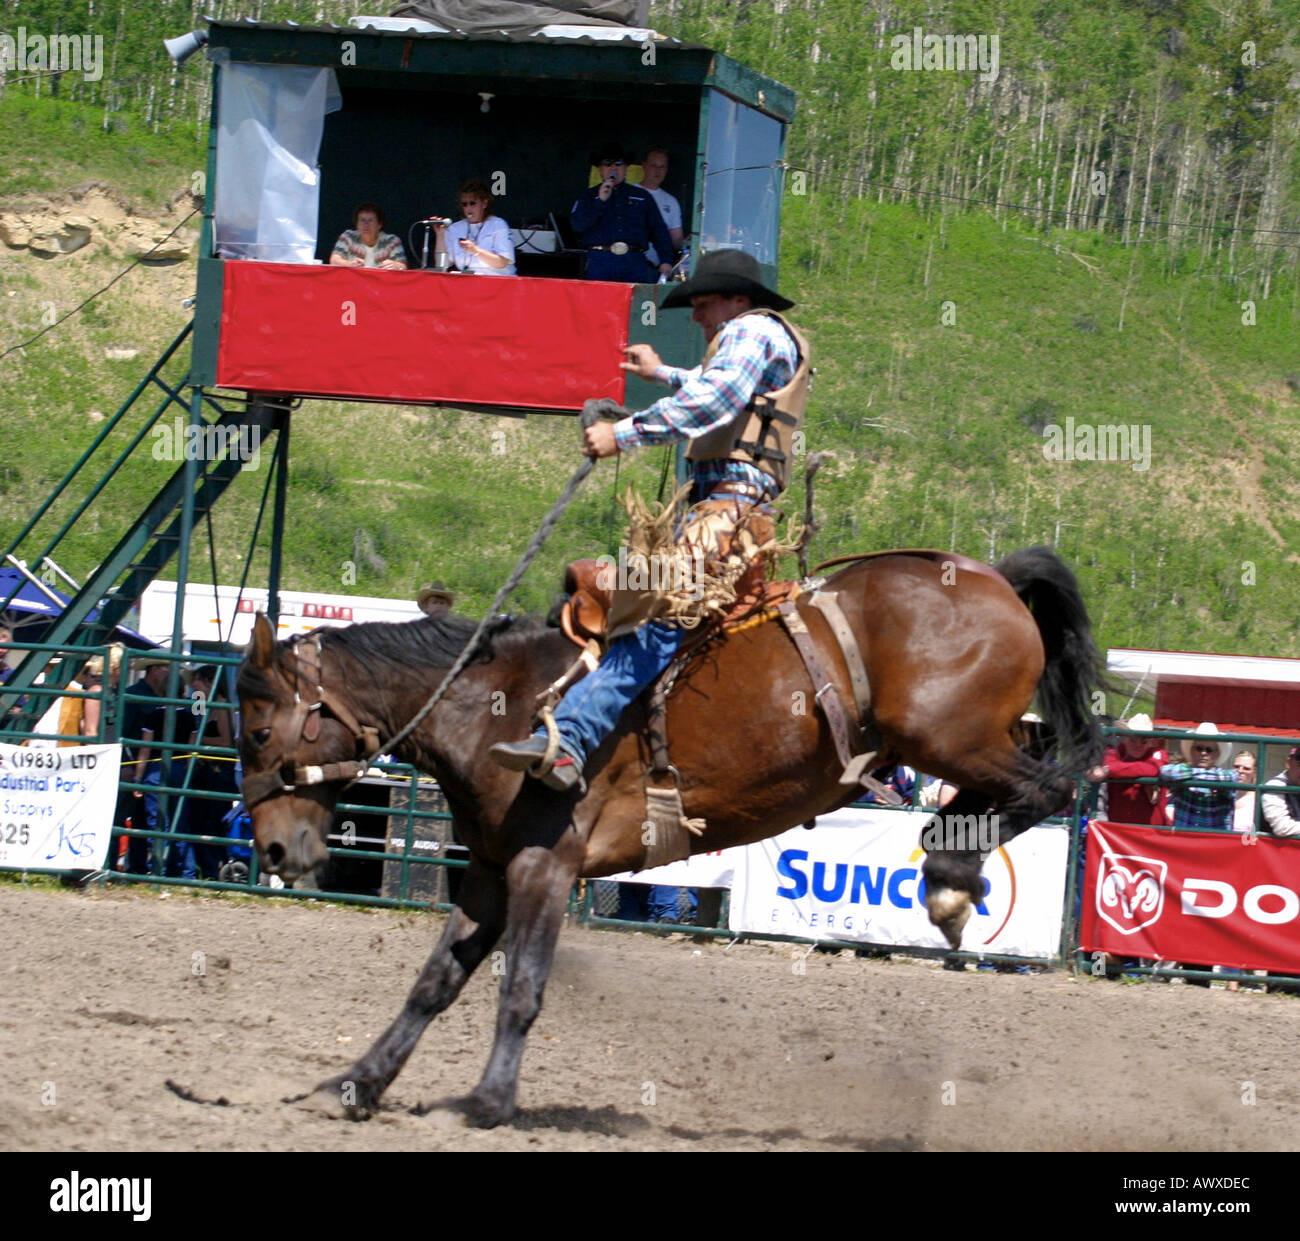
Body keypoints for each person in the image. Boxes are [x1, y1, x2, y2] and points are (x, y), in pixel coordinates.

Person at [489, 248, 807, 792]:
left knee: (658, 612)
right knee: (632, 591)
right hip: (723, 511)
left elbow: (718, 401)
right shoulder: (758, 337)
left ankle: (570, 739)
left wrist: (623, 434)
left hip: (727, 513)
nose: (698, 318)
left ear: (737, 299)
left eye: (703, 305)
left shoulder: (750, 330)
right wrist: (662, 374)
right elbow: (726, 389)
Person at [572, 141, 674, 283]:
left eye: (619, 163)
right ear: (600, 169)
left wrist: (666, 260)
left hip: (634, 261)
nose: (613, 167)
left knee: (639, 302)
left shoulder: (642, 196)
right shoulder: (588, 196)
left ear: (626, 168)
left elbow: (659, 231)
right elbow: (578, 225)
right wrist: (600, 201)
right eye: (608, 163)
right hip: (601, 261)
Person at [116, 656, 170, 874]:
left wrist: (200, 696)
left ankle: (137, 868)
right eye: (168, 669)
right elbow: (123, 731)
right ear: (155, 669)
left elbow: (198, 716)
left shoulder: (169, 696)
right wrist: (126, 764)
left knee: (143, 820)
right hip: (140, 767)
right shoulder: (135, 695)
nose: (172, 674)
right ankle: (115, 865)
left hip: (153, 769)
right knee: (122, 817)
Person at [1085, 714, 1168, 826]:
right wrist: (1144, 777)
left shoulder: (1158, 753)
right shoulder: (1114, 752)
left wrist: (1108, 771)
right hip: (1119, 832)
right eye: (1133, 738)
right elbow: (1148, 769)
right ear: (1124, 737)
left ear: (1150, 741)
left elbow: (1153, 769)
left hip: (1151, 832)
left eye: (1144, 740)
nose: (1138, 744)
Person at [1158, 723, 1237, 831]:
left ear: (1217, 754)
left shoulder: (1228, 776)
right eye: (1199, 748)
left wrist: (1189, 774)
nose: (1203, 753)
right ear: (1191, 750)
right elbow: (1165, 771)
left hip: (1214, 842)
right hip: (1185, 839)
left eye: (1209, 750)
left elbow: (1231, 778)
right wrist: (1202, 774)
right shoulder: (1222, 776)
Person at [433, 179, 516, 275]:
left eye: (472, 203)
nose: (468, 208)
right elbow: (442, 265)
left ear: (484, 203)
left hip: (499, 282)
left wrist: (476, 251)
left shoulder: (498, 225)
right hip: (468, 282)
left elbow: (502, 262)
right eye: (464, 204)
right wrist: (440, 235)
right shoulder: (455, 228)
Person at [639, 146, 684, 272]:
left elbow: (676, 240)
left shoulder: (671, 201)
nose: (657, 171)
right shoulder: (630, 193)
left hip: (656, 267)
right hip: (630, 262)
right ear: (644, 166)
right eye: (654, 165)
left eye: (662, 167)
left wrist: (691, 241)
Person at [330, 202, 407, 270]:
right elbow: (334, 260)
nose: (366, 224)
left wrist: (396, 266)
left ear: (379, 224)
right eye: (362, 220)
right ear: (356, 224)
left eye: (370, 220)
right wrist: (349, 264)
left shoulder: (392, 241)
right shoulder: (347, 237)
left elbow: (403, 266)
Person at [1260, 746, 1300, 837]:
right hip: (1278, 849)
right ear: (1288, 763)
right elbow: (1282, 827)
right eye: (1299, 765)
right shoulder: (1275, 785)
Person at [1232, 750, 1260, 832]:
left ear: (1254, 772)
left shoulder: (1259, 800)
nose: (1240, 771)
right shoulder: (1224, 794)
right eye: (1236, 767)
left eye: (1246, 768)